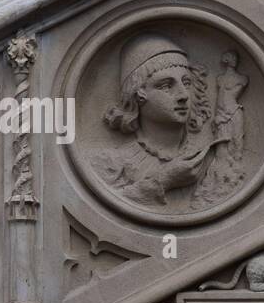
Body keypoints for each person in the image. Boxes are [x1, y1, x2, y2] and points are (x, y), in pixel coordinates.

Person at [93, 33, 235, 208]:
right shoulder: (112, 164)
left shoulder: (213, 157)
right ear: (138, 94)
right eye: (166, 86)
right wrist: (163, 180)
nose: (183, 95)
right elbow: (100, 209)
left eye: (187, 83)